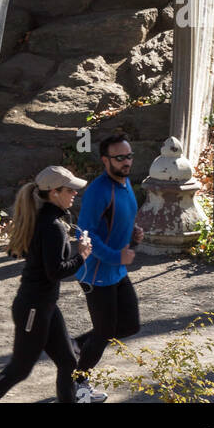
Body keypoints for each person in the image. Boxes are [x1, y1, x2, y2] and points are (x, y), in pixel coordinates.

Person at [0, 165, 92, 404]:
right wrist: (82, 255)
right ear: (55, 192)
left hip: (45, 305)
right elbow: (56, 272)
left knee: (69, 361)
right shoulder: (52, 227)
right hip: (34, 309)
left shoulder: (50, 219)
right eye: (70, 190)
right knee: (19, 370)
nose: (74, 194)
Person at [73, 130, 143, 403]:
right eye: (119, 158)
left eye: (129, 156)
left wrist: (133, 232)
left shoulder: (125, 185)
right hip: (97, 273)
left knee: (129, 325)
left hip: (115, 271)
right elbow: (84, 235)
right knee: (104, 333)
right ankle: (77, 386)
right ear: (106, 160)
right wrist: (117, 256)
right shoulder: (98, 191)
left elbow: (118, 219)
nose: (126, 162)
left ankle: (75, 345)